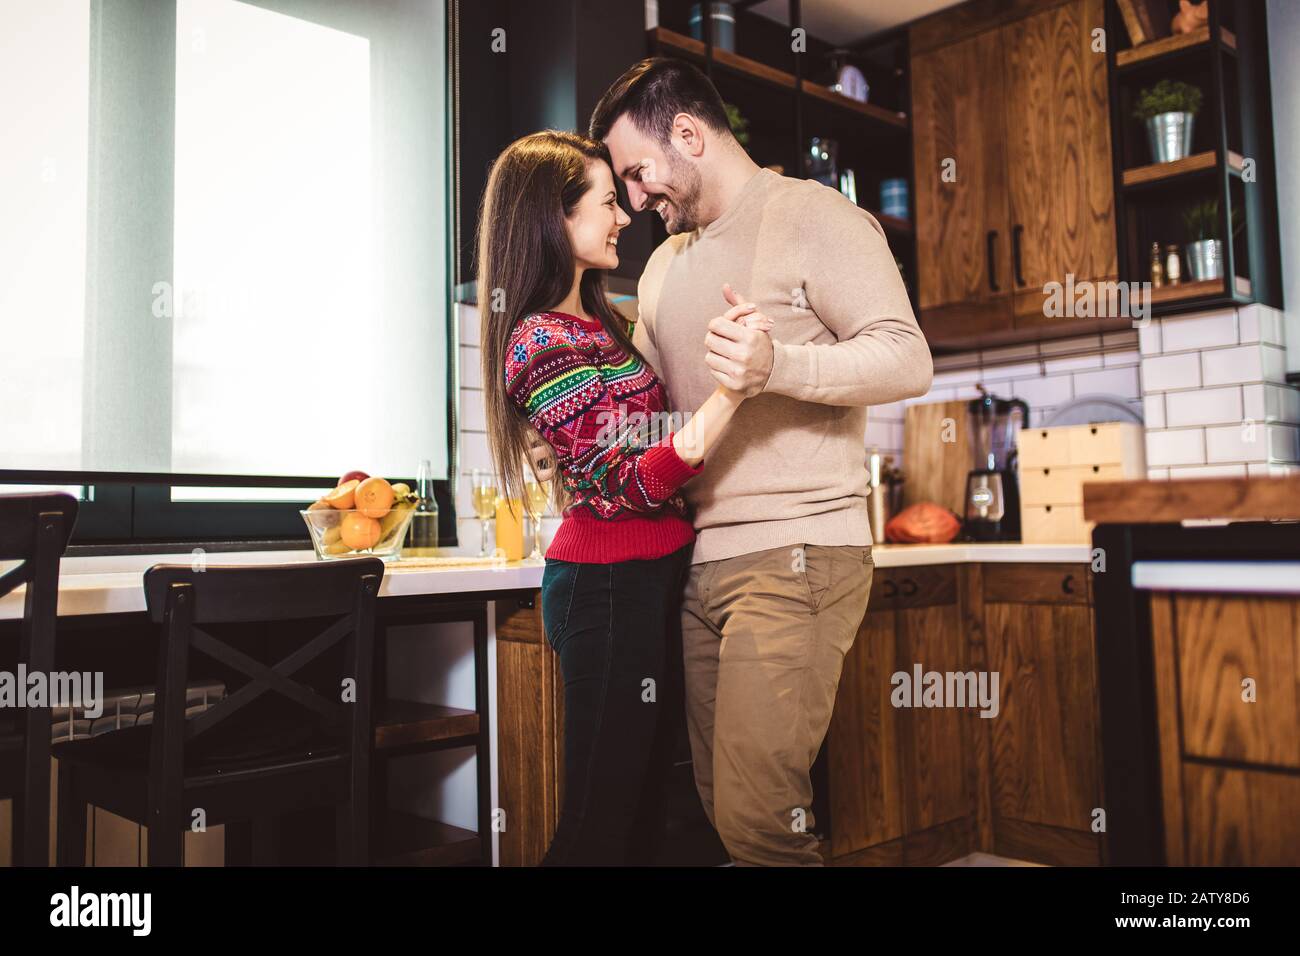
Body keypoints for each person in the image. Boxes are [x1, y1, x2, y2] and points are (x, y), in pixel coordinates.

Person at [584, 57, 934, 865]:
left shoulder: (816, 216)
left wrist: (778, 366)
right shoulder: (667, 267)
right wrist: (583, 438)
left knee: (759, 825)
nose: (635, 202)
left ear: (688, 134)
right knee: (726, 814)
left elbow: (906, 359)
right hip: (699, 565)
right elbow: (658, 420)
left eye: (638, 175)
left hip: (799, 555)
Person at [477, 129, 769, 865]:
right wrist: (737, 389)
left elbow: (646, 437)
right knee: (598, 830)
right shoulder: (539, 341)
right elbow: (623, 480)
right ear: (555, 218)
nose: (624, 216)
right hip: (606, 592)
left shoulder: (602, 326)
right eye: (608, 202)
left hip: (655, 578)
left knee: (648, 824)